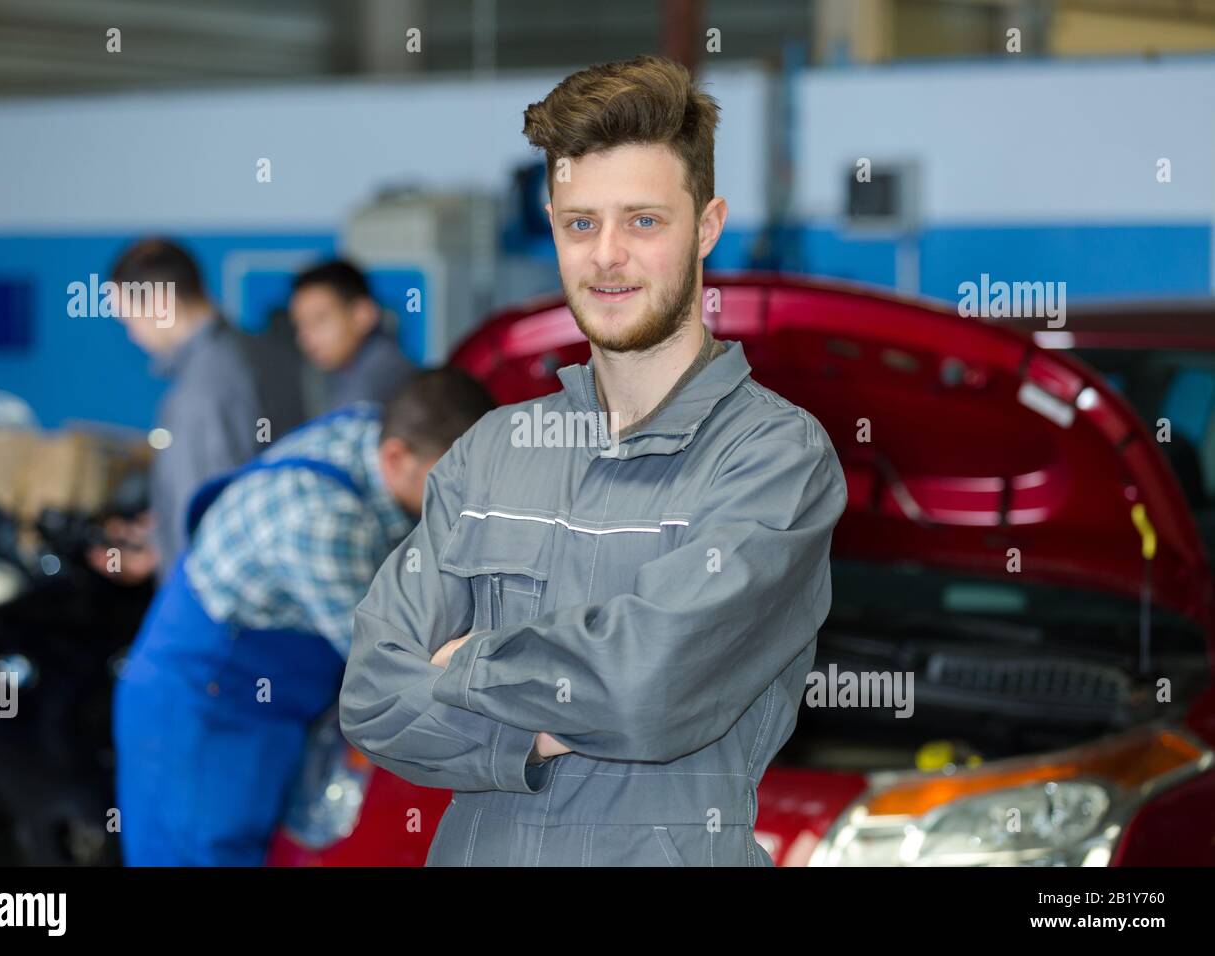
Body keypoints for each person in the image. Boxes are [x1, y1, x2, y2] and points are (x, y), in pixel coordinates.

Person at [338, 54, 848, 867]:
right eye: (582, 223)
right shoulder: (491, 452)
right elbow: (370, 694)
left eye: (643, 221)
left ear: (707, 225)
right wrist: (542, 729)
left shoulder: (776, 459)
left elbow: (649, 689)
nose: (607, 255)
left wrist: (462, 665)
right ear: (552, 226)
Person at [113, 368, 494, 866]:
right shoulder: (325, 522)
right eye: (453, 485)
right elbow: (392, 666)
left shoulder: (372, 432)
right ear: (397, 457)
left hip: (264, 707)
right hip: (198, 711)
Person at [108, 238, 302, 578]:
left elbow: (205, 525)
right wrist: (159, 535)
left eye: (128, 318)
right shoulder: (261, 355)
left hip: (215, 603)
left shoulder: (203, 391)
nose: (132, 335)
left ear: (159, 302)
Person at [288, 259, 417, 415]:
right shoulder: (333, 373)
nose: (304, 337)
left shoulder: (377, 377)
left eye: (319, 319)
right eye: (299, 325)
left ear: (362, 314)